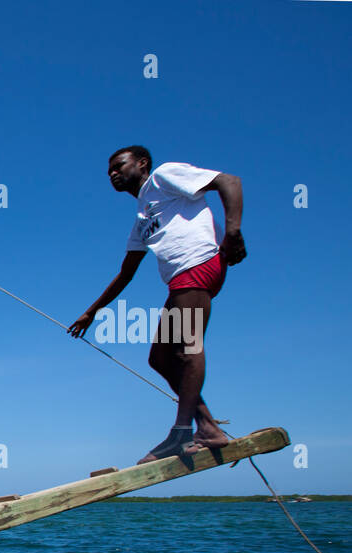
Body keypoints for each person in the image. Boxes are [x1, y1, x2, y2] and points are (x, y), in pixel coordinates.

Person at [67, 146, 246, 462]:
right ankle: (206, 426)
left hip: (199, 264)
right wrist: (90, 312)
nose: (113, 174)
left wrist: (232, 231)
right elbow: (125, 273)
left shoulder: (164, 177)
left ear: (142, 163)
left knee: (187, 349)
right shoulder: (141, 219)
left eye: (119, 166)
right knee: (160, 359)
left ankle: (181, 434)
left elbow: (229, 181)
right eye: (109, 171)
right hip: (181, 279)